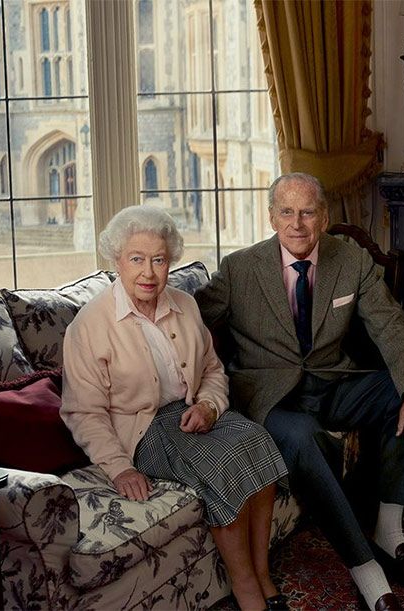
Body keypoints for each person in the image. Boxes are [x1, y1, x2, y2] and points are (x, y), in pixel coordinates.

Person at [195, 173, 404, 611]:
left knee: (397, 392)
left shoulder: (353, 261)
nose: (297, 224)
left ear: (324, 217)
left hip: (331, 382)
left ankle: (389, 532)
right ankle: (367, 571)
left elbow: (390, 325)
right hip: (268, 398)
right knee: (303, 434)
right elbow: (191, 322)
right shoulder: (238, 269)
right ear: (272, 218)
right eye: (286, 212)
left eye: (307, 212)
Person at [61, 205, 289, 611]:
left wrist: (209, 406)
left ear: (170, 262)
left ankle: (262, 572)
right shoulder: (90, 325)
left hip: (191, 414)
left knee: (256, 439)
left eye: (159, 260)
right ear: (116, 261)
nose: (148, 273)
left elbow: (213, 370)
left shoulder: (184, 304)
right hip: (143, 432)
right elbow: (83, 412)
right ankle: (247, 589)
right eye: (136, 259)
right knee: (222, 462)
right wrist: (120, 467)